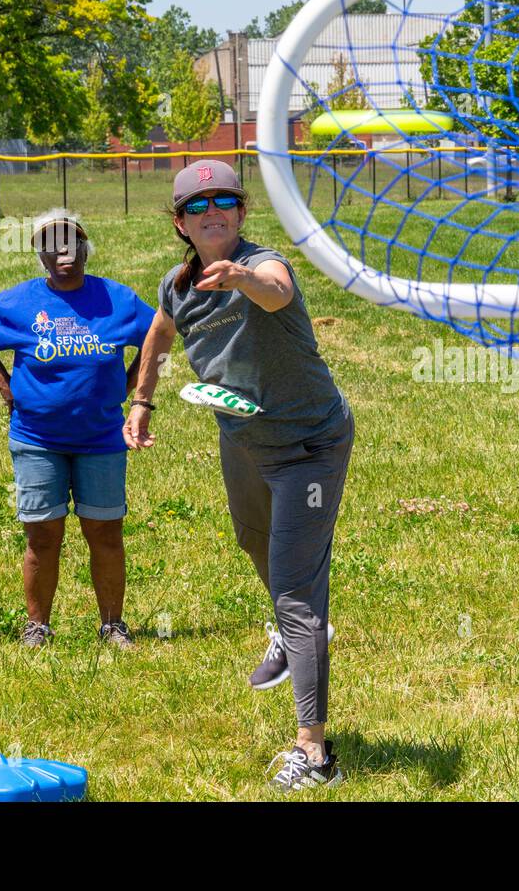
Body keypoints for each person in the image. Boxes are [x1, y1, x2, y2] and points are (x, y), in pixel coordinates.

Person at [124, 159, 353, 792]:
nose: (212, 212)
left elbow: (277, 290)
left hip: (308, 443)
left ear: (242, 211)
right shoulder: (176, 284)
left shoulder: (265, 261)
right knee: (253, 540)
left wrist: (244, 279)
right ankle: (294, 627)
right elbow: (159, 336)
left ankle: (315, 754)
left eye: (225, 200)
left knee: (296, 588)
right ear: (180, 224)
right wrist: (141, 400)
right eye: (197, 206)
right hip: (243, 437)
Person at [0, 209, 155, 649]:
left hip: (101, 438)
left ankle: (112, 625)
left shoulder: (117, 300)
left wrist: (130, 387)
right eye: (52, 244)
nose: (64, 251)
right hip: (37, 439)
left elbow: (157, 335)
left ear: (86, 249)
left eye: (72, 242)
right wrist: (5, 389)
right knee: (43, 534)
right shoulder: (18, 302)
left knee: (105, 531)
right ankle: (38, 627)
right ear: (39, 255)